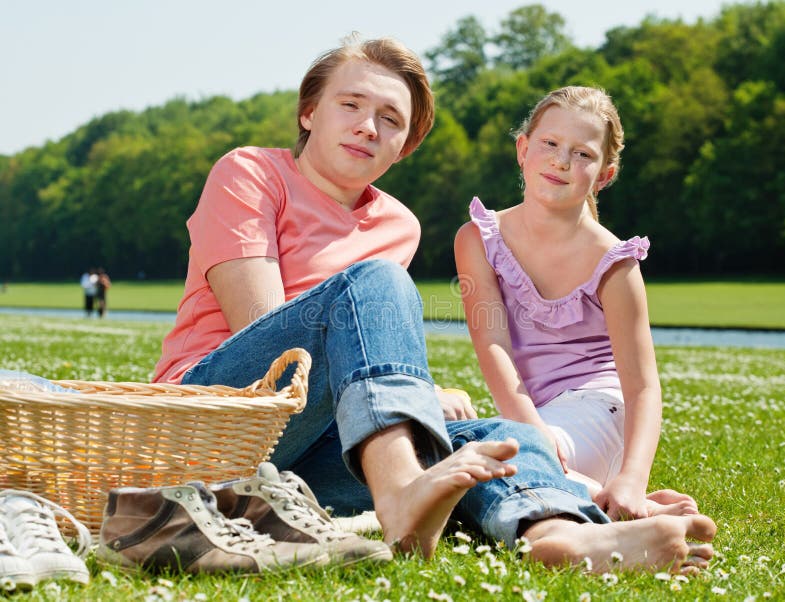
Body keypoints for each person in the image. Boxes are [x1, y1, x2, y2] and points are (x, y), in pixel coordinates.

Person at [154, 40, 715, 571]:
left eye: (392, 120)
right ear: (308, 113)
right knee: (373, 285)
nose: (368, 126)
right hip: (210, 422)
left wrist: (421, 411)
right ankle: (400, 496)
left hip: (301, 461)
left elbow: (361, 358)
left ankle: (559, 532)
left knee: (482, 440)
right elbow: (271, 341)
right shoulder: (249, 172)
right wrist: (414, 401)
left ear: (405, 146)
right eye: (350, 104)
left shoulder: (399, 226)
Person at [454, 85, 694, 521]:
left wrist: (634, 477)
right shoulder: (478, 239)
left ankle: (615, 498)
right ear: (523, 149)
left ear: (604, 174)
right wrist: (532, 431)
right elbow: (492, 345)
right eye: (549, 144)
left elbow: (641, 387)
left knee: (487, 464)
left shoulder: (613, 264)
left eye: (583, 154)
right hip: (532, 415)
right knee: (458, 461)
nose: (562, 161)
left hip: (598, 409)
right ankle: (602, 497)